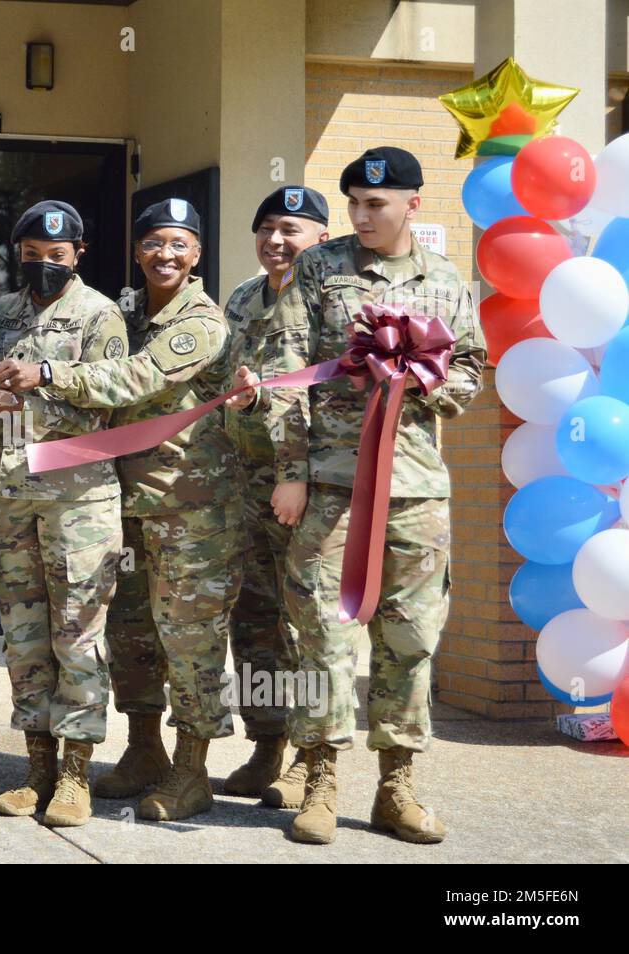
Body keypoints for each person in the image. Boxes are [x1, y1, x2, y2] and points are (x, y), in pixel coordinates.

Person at [0, 198, 253, 822]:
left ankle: (194, 769)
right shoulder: (127, 308)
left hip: (189, 502)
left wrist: (47, 373)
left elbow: (131, 381)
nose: (166, 255)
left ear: (197, 253)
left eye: (179, 244)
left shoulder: (199, 321)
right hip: (126, 499)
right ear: (136, 251)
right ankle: (143, 751)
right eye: (154, 243)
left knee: (190, 637)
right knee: (131, 636)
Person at [258, 147, 486, 845]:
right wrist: (291, 470)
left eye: (377, 204)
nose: (362, 214)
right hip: (330, 486)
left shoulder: (445, 281)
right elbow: (283, 371)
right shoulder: (319, 272)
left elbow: (472, 367)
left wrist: (427, 383)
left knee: (410, 639)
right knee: (322, 635)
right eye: (354, 201)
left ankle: (397, 787)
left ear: (413, 204)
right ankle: (320, 778)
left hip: (415, 490)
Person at [0, 201, 125, 827]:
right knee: (24, 633)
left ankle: (74, 774)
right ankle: (35, 766)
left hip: (80, 498)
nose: (42, 266)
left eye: (56, 256)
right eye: (31, 256)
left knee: (78, 632)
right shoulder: (2, 315)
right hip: (12, 493)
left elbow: (115, 394)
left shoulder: (99, 314)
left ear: (79, 255)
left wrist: (43, 376)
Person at [219, 186, 329, 807]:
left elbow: (333, 397)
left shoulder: (332, 304)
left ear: (320, 235)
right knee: (254, 620)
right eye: (266, 228)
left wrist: (302, 472)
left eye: (291, 228)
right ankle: (268, 744)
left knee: (307, 624)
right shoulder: (242, 298)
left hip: (307, 486)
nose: (276, 241)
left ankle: (311, 760)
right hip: (244, 484)